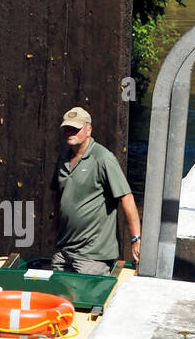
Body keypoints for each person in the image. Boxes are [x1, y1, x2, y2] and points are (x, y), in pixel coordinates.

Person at [50, 106, 140, 275]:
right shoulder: (63, 157)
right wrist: (54, 229)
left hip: (92, 256)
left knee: (87, 300)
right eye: (67, 128)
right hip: (63, 251)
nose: (70, 132)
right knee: (60, 299)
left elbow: (126, 197)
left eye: (75, 129)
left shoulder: (103, 158)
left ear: (88, 130)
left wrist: (136, 239)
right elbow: (59, 197)